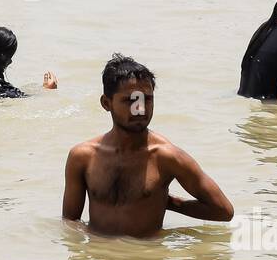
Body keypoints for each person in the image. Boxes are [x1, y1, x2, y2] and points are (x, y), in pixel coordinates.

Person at [63, 54, 233, 238]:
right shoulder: (82, 157)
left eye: (147, 99)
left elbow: (223, 211)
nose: (140, 109)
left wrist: (170, 203)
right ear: (106, 103)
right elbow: (70, 223)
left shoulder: (167, 157)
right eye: (130, 100)